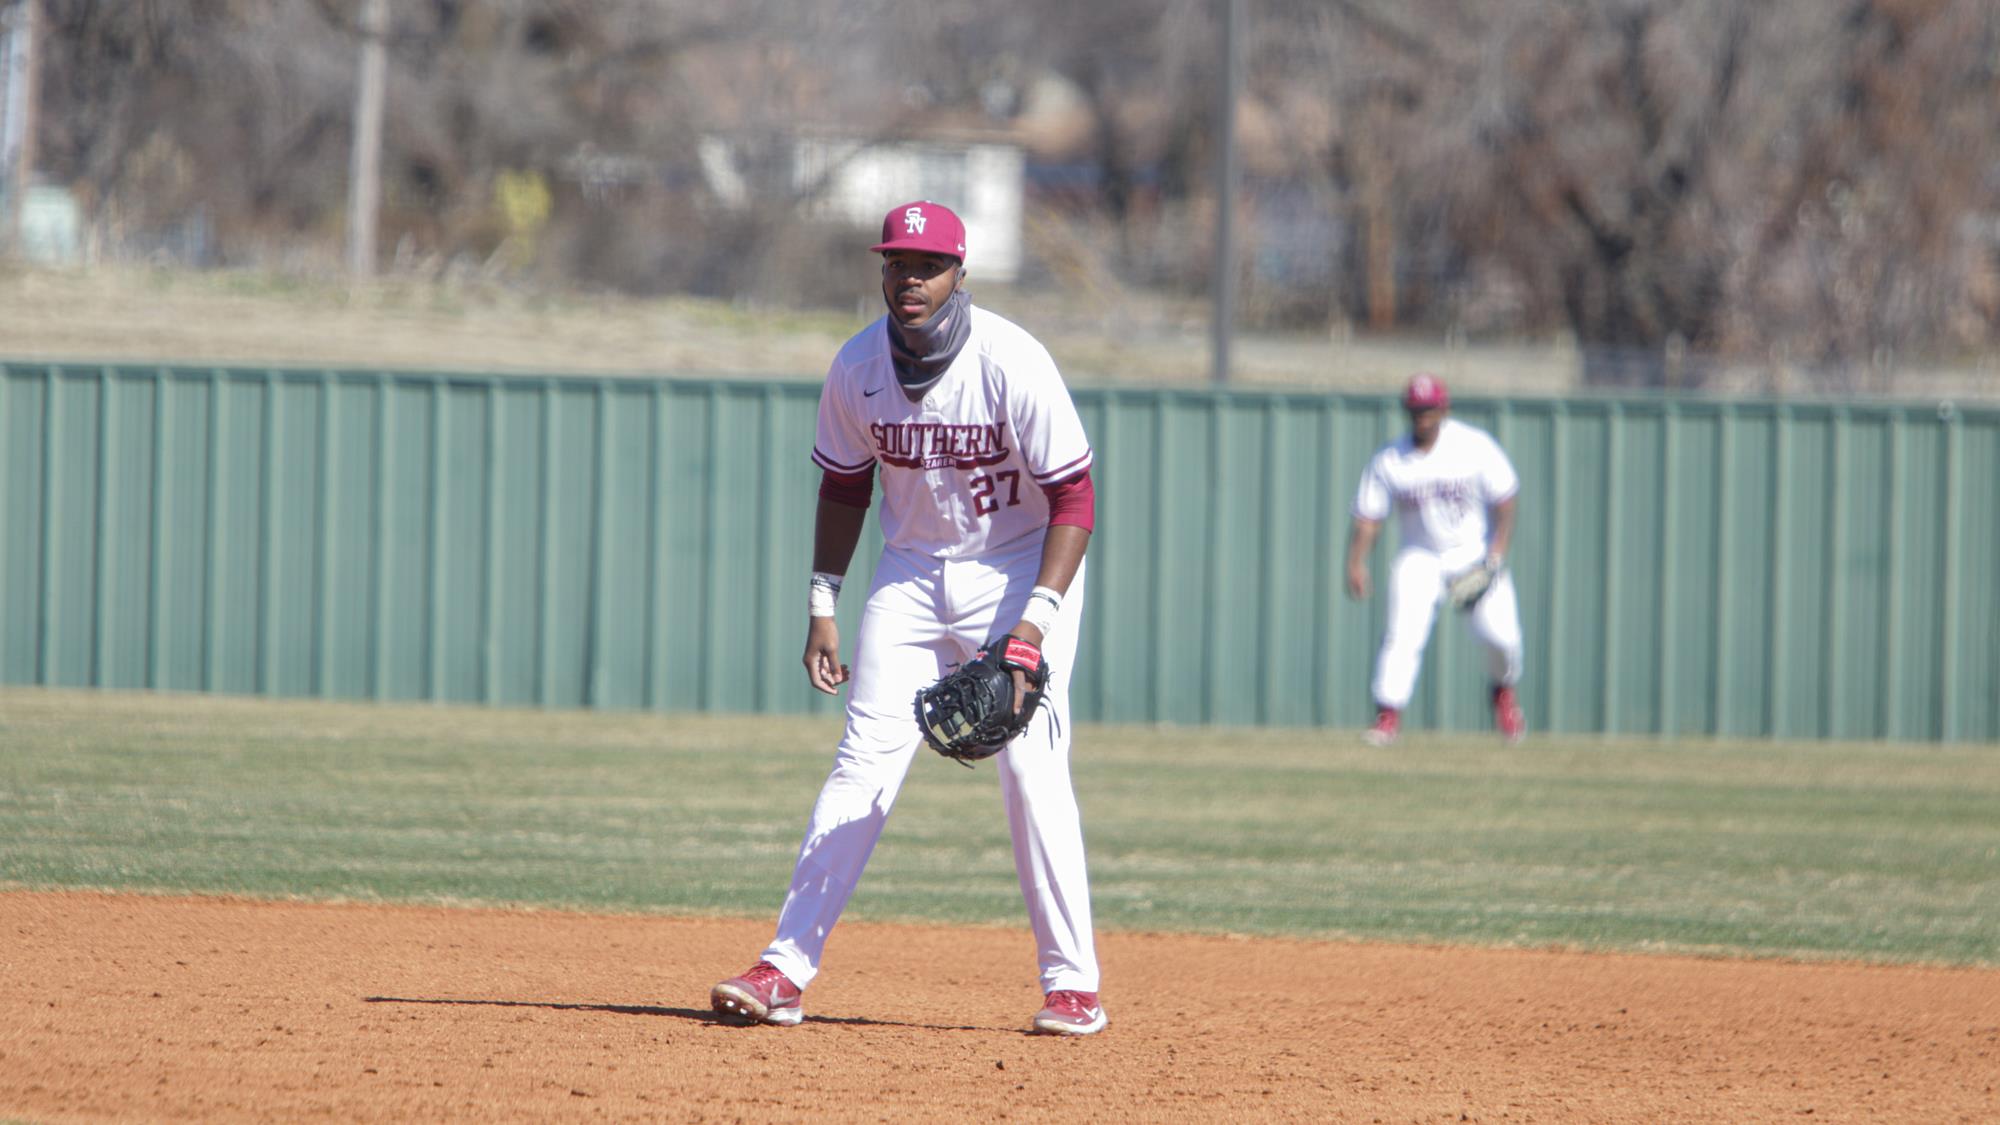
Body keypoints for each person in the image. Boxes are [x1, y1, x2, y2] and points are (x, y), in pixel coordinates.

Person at [710, 200, 1107, 1036]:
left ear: (960, 272)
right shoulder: (857, 366)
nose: (910, 278)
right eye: (897, 263)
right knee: (862, 763)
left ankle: (1075, 985)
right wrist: (823, 600)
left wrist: (1034, 624)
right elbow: (845, 484)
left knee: (1031, 773)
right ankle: (784, 966)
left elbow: (1075, 494)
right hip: (912, 573)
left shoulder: (1011, 360)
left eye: (927, 265)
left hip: (1017, 571)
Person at [1345, 373, 1526, 746]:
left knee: (1503, 638)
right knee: (1402, 635)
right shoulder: (1391, 459)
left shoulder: (1473, 446)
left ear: (1444, 409)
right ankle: (1387, 716)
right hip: (1420, 555)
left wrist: (1495, 554)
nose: (1422, 416)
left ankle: (1503, 695)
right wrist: (1356, 562)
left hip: (1472, 553)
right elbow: (1369, 516)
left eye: (1428, 409)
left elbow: (1506, 499)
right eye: (1415, 409)